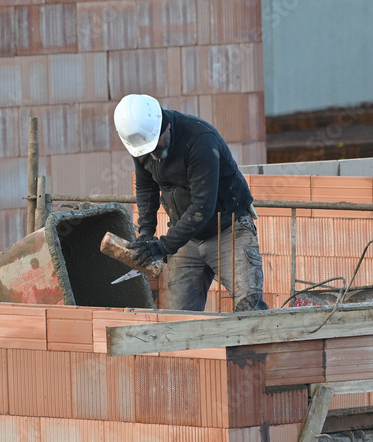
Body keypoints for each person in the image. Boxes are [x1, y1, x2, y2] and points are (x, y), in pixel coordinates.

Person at [113, 94, 269, 313]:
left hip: (228, 229)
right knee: (180, 321)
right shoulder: (143, 143)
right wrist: (146, 233)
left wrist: (163, 246)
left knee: (250, 309)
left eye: (155, 147)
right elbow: (146, 187)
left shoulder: (199, 139)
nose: (152, 154)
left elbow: (203, 205)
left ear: (164, 126)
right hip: (186, 237)